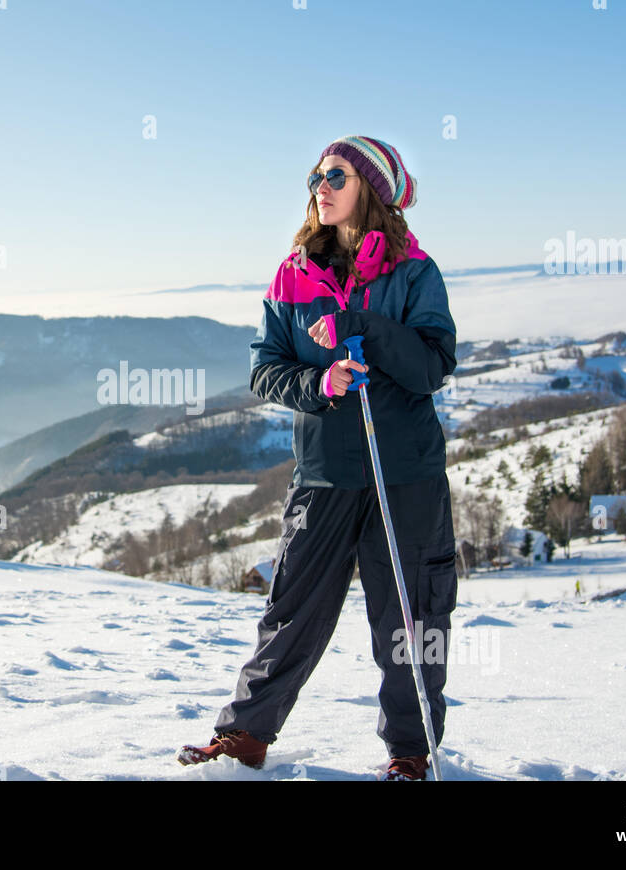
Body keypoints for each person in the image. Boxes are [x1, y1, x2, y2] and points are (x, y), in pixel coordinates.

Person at [178, 135, 458, 781]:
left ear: (372, 187)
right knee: (291, 613)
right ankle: (245, 736)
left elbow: (431, 368)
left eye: (335, 174)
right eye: (315, 175)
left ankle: (410, 754)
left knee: (411, 619)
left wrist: (364, 325)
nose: (319, 185)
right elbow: (265, 370)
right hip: (325, 473)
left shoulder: (415, 271)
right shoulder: (293, 272)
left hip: (405, 476)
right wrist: (320, 384)